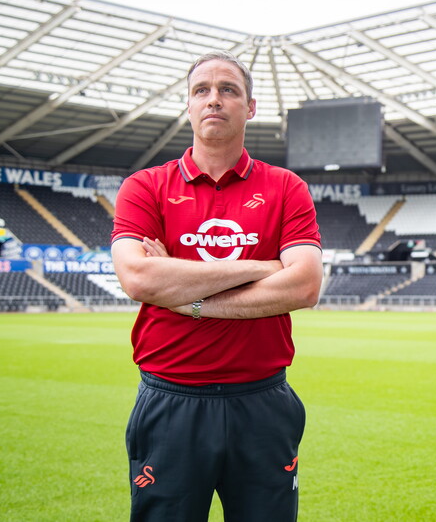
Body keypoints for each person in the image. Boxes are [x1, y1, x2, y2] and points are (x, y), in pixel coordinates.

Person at [111, 50, 323, 522]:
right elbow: (139, 277)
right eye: (201, 90)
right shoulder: (144, 186)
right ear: (187, 105)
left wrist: (187, 299)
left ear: (249, 107)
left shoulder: (287, 187)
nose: (214, 99)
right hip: (171, 399)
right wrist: (263, 267)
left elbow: (305, 285)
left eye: (228, 89)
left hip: (263, 402)